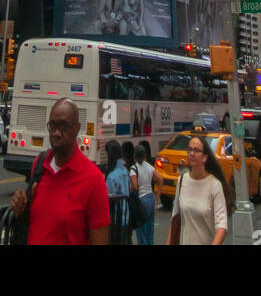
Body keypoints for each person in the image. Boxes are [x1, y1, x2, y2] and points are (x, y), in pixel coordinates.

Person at [10, 98, 109, 245]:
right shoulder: (39, 166)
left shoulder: (93, 179)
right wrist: (21, 205)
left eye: (64, 126)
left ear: (77, 128)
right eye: (53, 126)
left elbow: (99, 239)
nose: (56, 133)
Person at [167, 134, 231, 246]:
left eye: (196, 150)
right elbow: (175, 220)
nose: (192, 153)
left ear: (205, 157)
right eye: (190, 150)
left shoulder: (214, 185)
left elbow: (222, 226)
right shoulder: (182, 181)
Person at [104, 139, 132, 245]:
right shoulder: (125, 171)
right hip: (126, 216)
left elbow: (108, 198)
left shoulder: (111, 176)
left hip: (115, 219)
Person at [131, 140, 157, 246]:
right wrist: (157, 198)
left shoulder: (134, 168)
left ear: (135, 156)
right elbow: (160, 180)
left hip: (141, 201)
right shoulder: (150, 167)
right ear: (145, 155)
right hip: (151, 198)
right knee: (150, 231)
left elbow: (135, 186)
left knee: (141, 232)